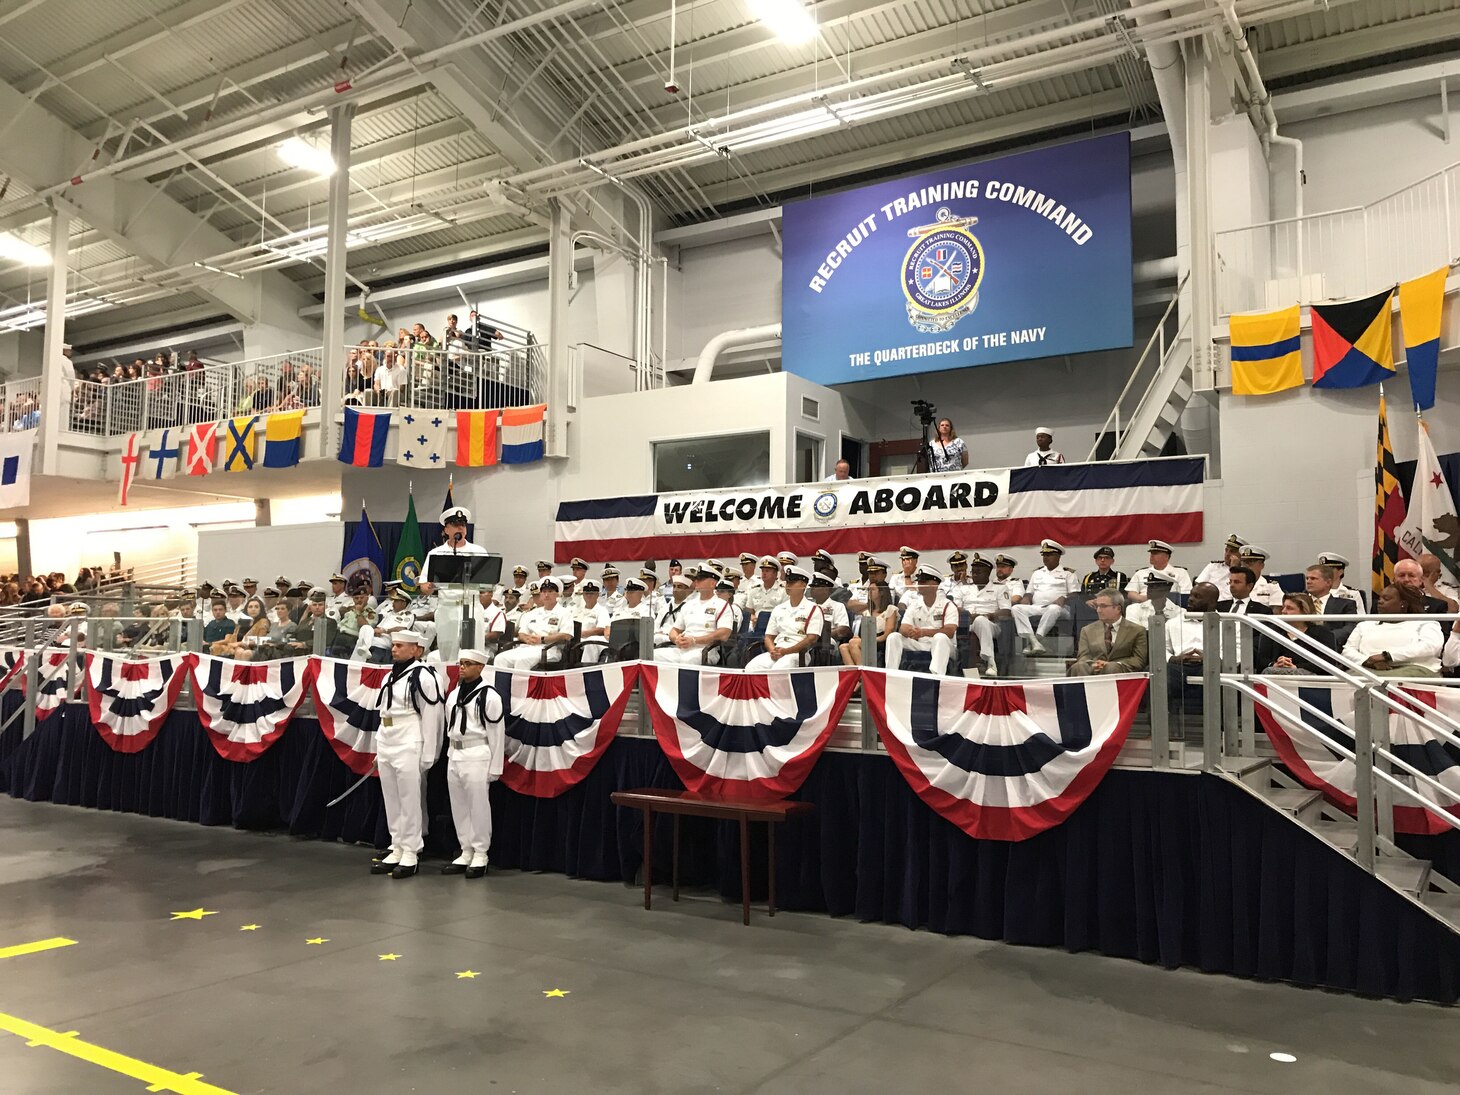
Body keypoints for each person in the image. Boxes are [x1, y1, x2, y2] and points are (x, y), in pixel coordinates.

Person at [369, 633, 446, 879]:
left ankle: (411, 851)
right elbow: (382, 712)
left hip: (409, 738)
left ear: (417, 650)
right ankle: (397, 844)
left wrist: (430, 752)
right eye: (393, 645)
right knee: (392, 798)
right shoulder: (389, 675)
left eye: (400, 646)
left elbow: (433, 715)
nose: (394, 649)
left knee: (409, 798)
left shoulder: (425, 676)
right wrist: (377, 745)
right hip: (388, 738)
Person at [440, 650, 505, 879]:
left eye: (468, 664)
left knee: (478, 805)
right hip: (456, 752)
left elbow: (497, 733)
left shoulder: (489, 696)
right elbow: (450, 725)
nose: (462, 667)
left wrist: (496, 766)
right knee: (459, 805)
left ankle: (480, 852)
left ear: (480, 667)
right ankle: (465, 848)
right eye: (461, 663)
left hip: (477, 751)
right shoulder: (455, 694)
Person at [1341, 584, 1445, 676]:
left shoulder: (1426, 623)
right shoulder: (1364, 625)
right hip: (1369, 668)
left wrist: (1387, 656)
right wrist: (1367, 661)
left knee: (1386, 682)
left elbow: (1430, 647)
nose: (1379, 602)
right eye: (1379, 598)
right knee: (1346, 678)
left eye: (1386, 599)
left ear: (1402, 604)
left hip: (1413, 668)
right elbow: (1347, 651)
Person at [885, 564, 959, 674]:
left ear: (935, 584)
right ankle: (891, 674)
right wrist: (913, 632)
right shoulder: (914, 605)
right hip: (919, 643)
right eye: (919, 581)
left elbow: (950, 632)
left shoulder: (948, 605)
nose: (919, 585)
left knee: (940, 638)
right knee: (894, 637)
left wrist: (923, 632)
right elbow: (903, 628)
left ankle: (936, 676)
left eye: (923, 582)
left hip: (944, 646)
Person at [745, 566, 823, 670]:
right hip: (778, 650)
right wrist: (772, 650)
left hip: (798, 653)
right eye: (787, 582)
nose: (788, 586)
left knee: (779, 669)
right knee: (751, 667)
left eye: (792, 583)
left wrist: (786, 651)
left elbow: (811, 639)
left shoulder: (813, 609)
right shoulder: (779, 608)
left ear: (803, 585)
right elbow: (769, 636)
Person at [655, 565, 733, 664]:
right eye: (697, 579)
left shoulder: (722, 605)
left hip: (705, 649)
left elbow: (724, 633)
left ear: (713, 583)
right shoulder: (689, 604)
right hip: (683, 647)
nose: (697, 582)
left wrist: (695, 640)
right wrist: (676, 639)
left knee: (689, 660)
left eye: (701, 579)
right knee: (655, 655)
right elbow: (674, 630)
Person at [1011, 539, 1078, 655]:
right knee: (1016, 609)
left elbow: (1075, 593)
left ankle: (1033, 643)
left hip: (1060, 608)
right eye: (1044, 555)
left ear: (1058, 556)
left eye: (1049, 555)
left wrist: (1064, 598)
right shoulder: (1037, 573)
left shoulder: (1068, 573)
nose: (1045, 558)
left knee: (1053, 608)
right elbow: (1029, 592)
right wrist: (1026, 598)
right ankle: (1034, 641)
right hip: (1038, 607)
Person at [947, 553, 1007, 676]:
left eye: (978, 572)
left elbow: (1006, 611)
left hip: (992, 625)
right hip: (967, 624)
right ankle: (989, 663)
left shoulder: (1000, 588)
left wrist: (987, 616)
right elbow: (956, 608)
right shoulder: (964, 589)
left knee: (980, 621)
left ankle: (989, 661)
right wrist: (966, 614)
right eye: (973, 571)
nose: (974, 575)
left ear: (988, 573)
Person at [495, 577, 574, 668]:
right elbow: (522, 633)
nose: (546, 595)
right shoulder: (533, 613)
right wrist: (526, 638)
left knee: (522, 661)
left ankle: (520, 682)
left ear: (558, 594)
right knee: (500, 658)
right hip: (527, 647)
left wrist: (542, 639)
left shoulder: (565, 613)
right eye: (544, 592)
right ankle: (502, 682)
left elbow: (566, 635)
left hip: (549, 649)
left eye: (550, 591)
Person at [1068, 591, 1148, 676]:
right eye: (1097, 606)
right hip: (1093, 671)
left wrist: (1114, 664)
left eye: (1103, 606)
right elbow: (1083, 657)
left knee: (1111, 668)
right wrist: (1094, 664)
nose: (1098, 610)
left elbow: (1139, 660)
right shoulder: (1087, 630)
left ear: (1118, 609)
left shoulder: (1137, 630)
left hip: (1121, 672)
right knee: (1078, 667)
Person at [1265, 592, 1340, 674]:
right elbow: (1262, 661)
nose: (1283, 611)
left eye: (1289, 608)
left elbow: (1327, 663)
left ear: (1304, 611)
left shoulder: (1322, 633)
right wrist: (1276, 664)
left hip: (1310, 680)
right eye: (1283, 607)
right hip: (1276, 677)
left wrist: (1295, 667)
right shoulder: (1272, 631)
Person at [842, 579, 897, 667]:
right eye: (868, 590)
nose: (869, 592)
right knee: (843, 647)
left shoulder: (890, 609)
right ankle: (856, 674)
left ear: (882, 592)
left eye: (872, 590)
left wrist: (872, 640)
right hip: (867, 639)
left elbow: (887, 634)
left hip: (880, 640)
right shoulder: (867, 611)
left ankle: (864, 671)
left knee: (853, 643)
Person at [1304, 564, 1358, 645]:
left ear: (1328, 582)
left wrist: (1326, 638)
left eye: (1313, 578)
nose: (1308, 581)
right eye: (1307, 578)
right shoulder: (1299, 602)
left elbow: (1350, 627)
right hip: (1302, 646)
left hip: (1333, 646)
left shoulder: (1346, 604)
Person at [1125, 539, 1194, 602]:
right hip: (1144, 607)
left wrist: (1159, 601)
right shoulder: (1140, 573)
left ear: (1166, 557)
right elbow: (1131, 593)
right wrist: (1146, 599)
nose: (1151, 556)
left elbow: (1185, 594)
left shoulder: (1180, 573)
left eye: (1155, 553)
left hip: (1171, 609)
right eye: (1151, 553)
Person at [1194, 534, 1245, 602]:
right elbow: (1199, 587)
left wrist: (1234, 569)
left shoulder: (1245, 572)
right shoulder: (1213, 566)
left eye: (1232, 551)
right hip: (1211, 605)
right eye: (1226, 550)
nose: (1227, 554)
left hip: (1231, 606)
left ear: (1241, 554)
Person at [572, 580, 611, 663]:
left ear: (597, 595)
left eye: (592, 593)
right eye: (586, 593)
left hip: (592, 641)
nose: (589, 596)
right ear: (583, 595)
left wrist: (582, 633)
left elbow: (602, 629)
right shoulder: (576, 610)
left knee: (590, 643)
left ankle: (586, 668)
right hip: (576, 640)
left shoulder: (601, 610)